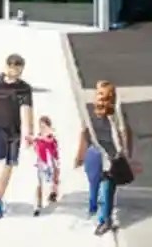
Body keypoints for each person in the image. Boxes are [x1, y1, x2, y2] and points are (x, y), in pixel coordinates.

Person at [75, 80, 141, 235]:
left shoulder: (114, 114)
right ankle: (103, 217)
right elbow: (85, 133)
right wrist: (80, 155)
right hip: (99, 152)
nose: (97, 97)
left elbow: (125, 132)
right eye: (97, 93)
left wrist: (126, 154)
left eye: (100, 94)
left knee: (106, 188)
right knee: (100, 186)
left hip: (110, 157)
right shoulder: (91, 111)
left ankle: (104, 220)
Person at [0, 53, 34, 219]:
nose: (17, 75)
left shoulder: (24, 88)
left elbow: (27, 110)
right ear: (7, 67)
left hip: (13, 129)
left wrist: (29, 133)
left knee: (9, 165)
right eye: (14, 71)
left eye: (19, 72)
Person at [32, 115, 60, 216]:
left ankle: (53, 193)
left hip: (50, 164)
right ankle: (37, 205)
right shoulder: (38, 138)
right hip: (40, 164)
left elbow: (55, 151)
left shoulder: (51, 139)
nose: (42, 129)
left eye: (45, 127)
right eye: (41, 127)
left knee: (52, 180)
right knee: (38, 184)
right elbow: (35, 148)